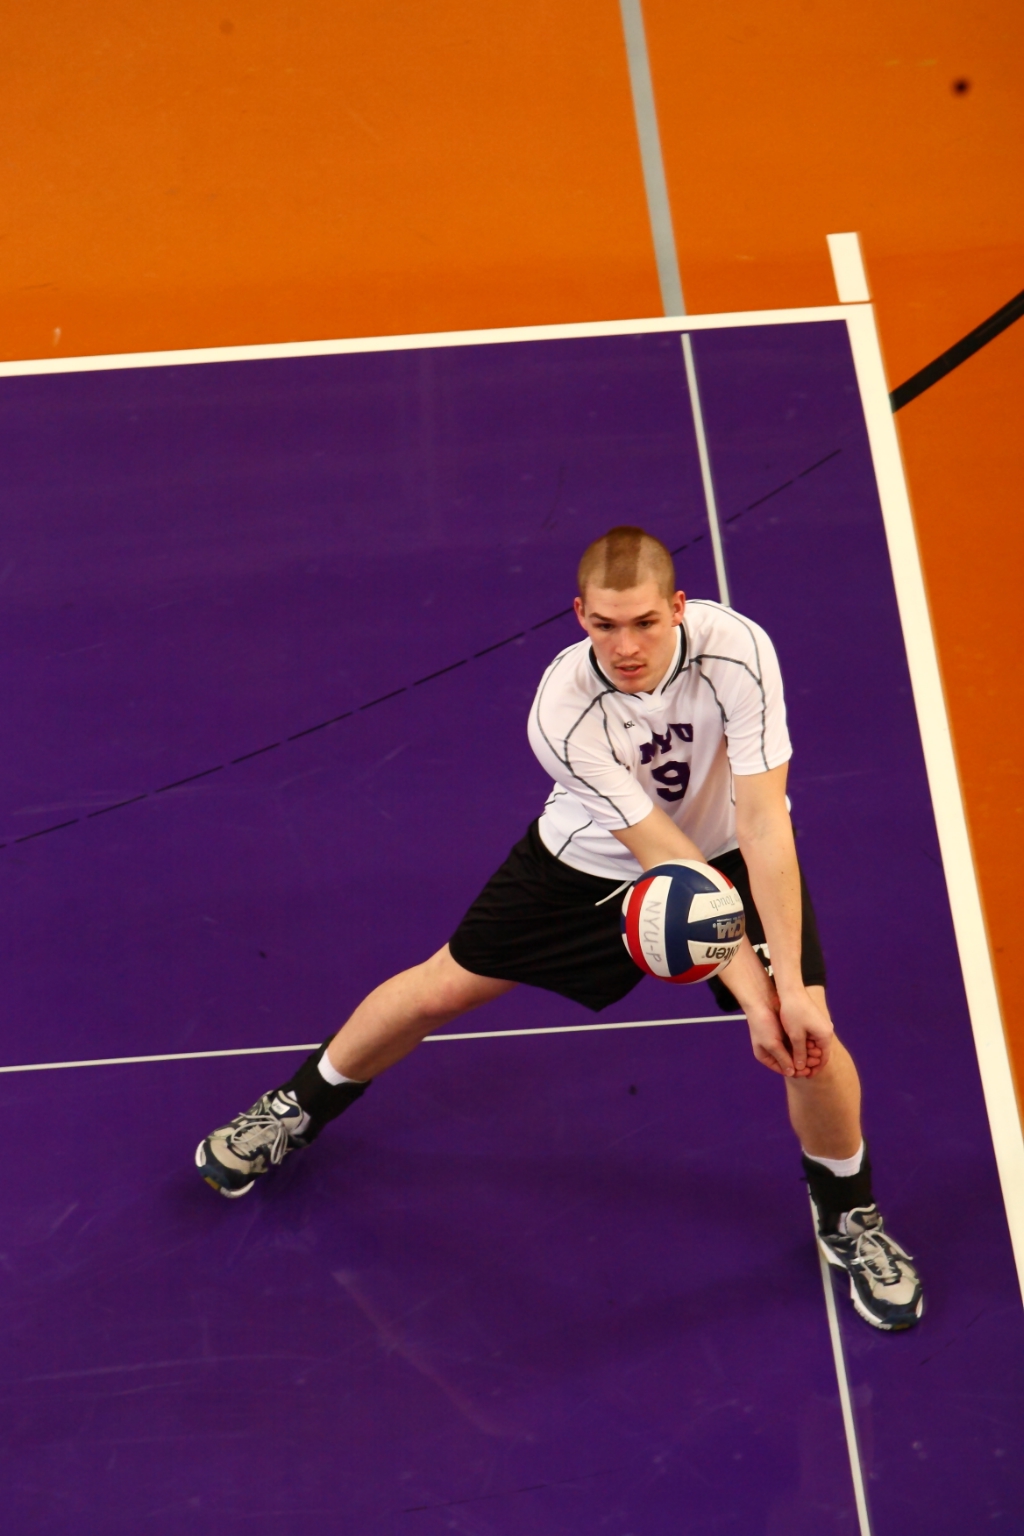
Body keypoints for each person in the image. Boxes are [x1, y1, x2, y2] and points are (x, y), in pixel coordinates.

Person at [196, 526, 923, 1332]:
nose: (626, 644)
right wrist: (752, 996)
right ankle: (297, 1108)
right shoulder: (562, 712)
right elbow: (668, 865)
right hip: (596, 862)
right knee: (441, 986)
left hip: (735, 853)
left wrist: (788, 989)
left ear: (678, 608)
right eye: (605, 625)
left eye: (645, 622)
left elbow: (761, 822)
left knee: (809, 1039)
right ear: (579, 616)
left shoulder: (739, 653)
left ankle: (848, 1217)